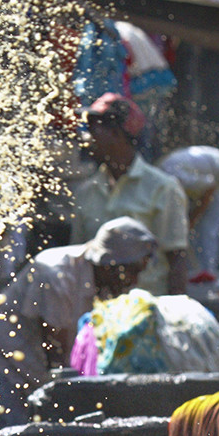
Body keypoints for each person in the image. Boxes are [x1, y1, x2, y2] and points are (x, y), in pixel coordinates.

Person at [0, 217, 157, 431]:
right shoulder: (56, 274)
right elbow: (57, 358)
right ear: (109, 266)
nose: (134, 282)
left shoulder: (105, 283)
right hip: (0, 361)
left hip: (34, 369)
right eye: (132, 272)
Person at [71, 94, 188, 296]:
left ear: (116, 133)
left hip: (147, 305)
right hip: (98, 307)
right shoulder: (86, 192)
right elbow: (78, 258)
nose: (86, 139)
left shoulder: (162, 188)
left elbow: (176, 258)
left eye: (93, 131)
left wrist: (175, 307)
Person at [158, 146, 219, 277]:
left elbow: (210, 187)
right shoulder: (164, 177)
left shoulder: (174, 176)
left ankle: (207, 273)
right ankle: (197, 271)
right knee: (196, 227)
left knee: (207, 227)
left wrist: (192, 219)